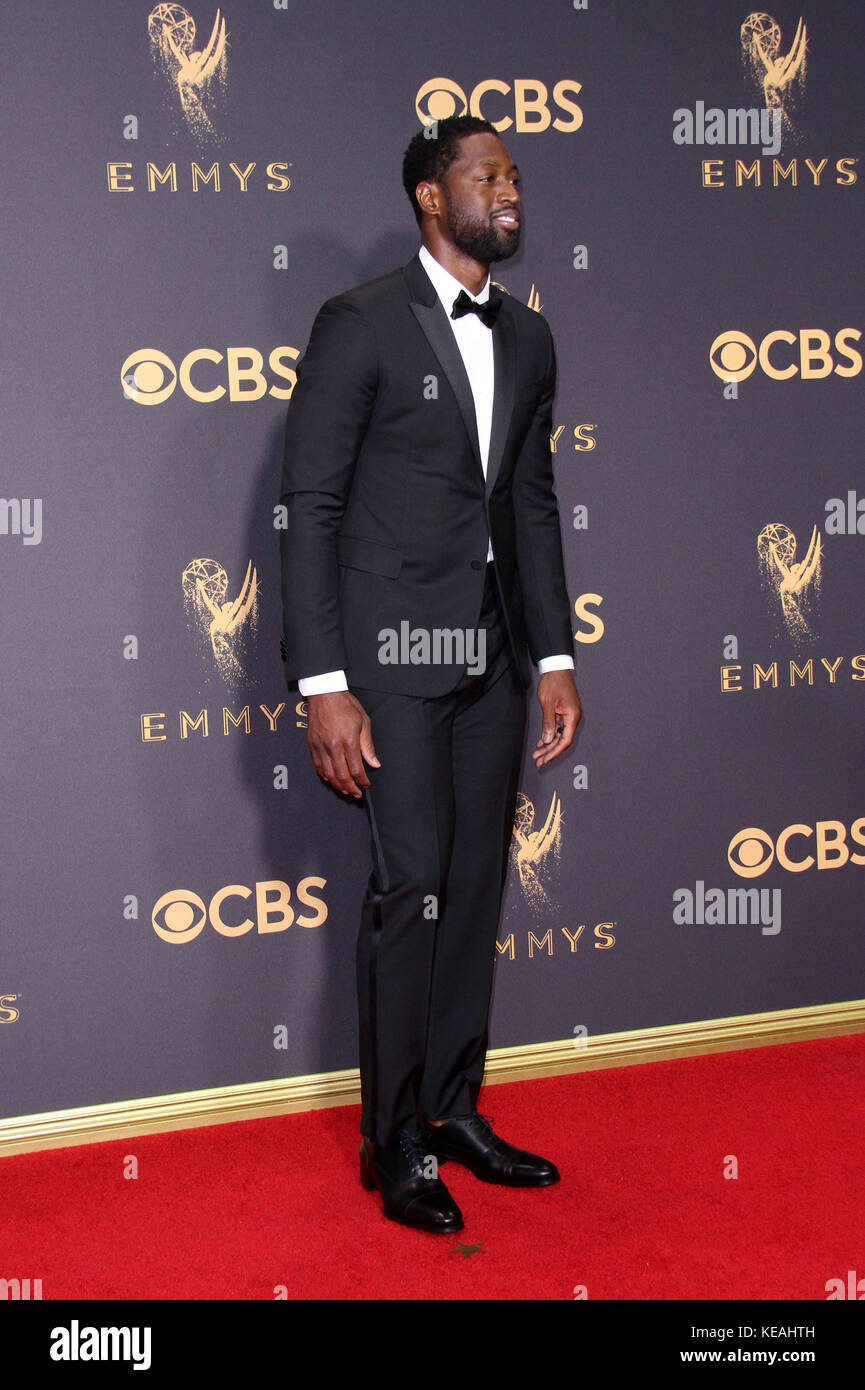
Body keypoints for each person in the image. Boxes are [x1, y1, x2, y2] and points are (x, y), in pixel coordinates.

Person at [279, 116, 582, 1234]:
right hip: (391, 664)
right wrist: (322, 681)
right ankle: (393, 1138)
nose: (508, 187)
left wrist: (551, 656)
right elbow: (308, 504)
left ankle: (455, 1109)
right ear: (427, 195)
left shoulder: (532, 338)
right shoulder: (358, 324)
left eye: (512, 173)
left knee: (472, 891)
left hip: (494, 658)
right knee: (410, 890)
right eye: (484, 173)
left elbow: (532, 505)